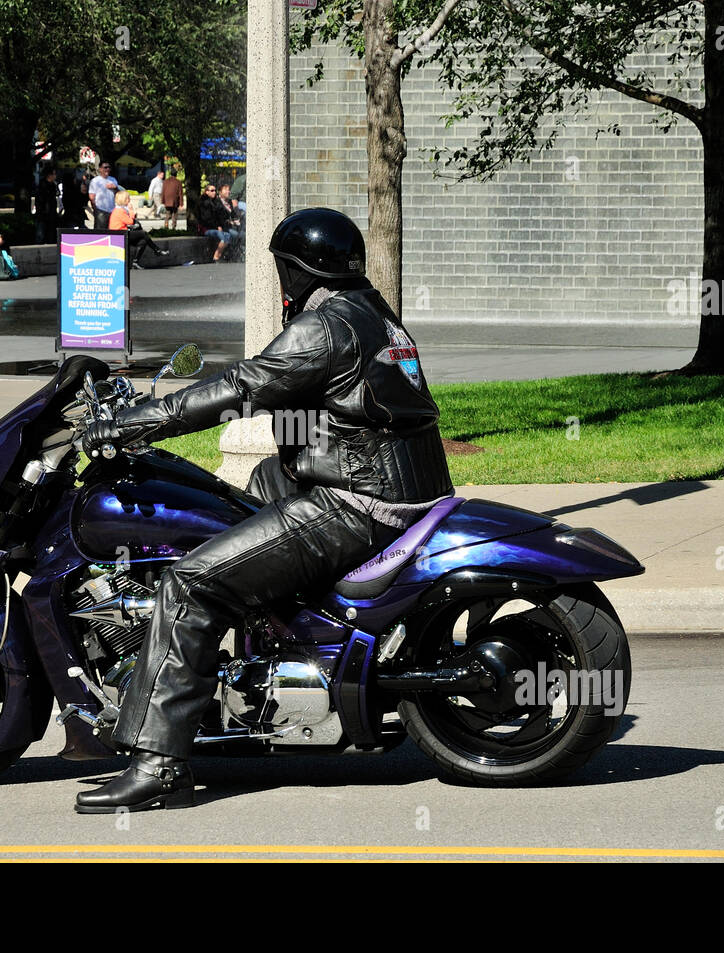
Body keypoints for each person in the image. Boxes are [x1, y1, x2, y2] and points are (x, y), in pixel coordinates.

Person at [74, 208, 454, 813]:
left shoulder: (324, 326)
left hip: (357, 502)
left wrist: (133, 424)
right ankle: (266, 651)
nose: (279, 281)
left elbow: (239, 387)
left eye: (282, 269)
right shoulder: (376, 315)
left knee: (191, 581)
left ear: (300, 271)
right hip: (392, 485)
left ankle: (157, 762)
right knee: (245, 490)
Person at [108, 189, 170, 268]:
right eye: (128, 198)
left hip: (123, 233)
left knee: (143, 241)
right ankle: (157, 250)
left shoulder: (120, 210)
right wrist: (131, 210)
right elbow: (130, 221)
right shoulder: (119, 211)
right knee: (143, 233)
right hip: (120, 234)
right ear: (123, 200)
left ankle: (135, 262)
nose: (129, 200)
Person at [196, 182, 234, 263]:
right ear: (207, 192)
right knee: (221, 235)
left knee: (227, 235)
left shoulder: (215, 202)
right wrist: (217, 226)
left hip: (214, 227)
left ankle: (220, 255)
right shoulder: (204, 203)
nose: (214, 192)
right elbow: (206, 219)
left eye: (215, 190)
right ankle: (216, 256)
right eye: (212, 190)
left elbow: (220, 215)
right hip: (205, 229)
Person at [89, 161, 118, 229]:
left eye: (109, 167)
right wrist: (95, 209)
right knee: (100, 231)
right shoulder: (95, 181)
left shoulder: (113, 180)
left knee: (111, 231)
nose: (107, 169)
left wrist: (115, 188)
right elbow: (91, 196)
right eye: (105, 167)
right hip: (100, 210)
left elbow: (118, 194)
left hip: (112, 210)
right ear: (100, 169)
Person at [35, 166, 59, 243]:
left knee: (50, 234)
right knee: (41, 234)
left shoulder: (53, 185)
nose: (55, 176)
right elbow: (41, 200)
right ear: (49, 175)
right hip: (43, 214)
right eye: (54, 174)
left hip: (51, 213)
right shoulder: (43, 186)